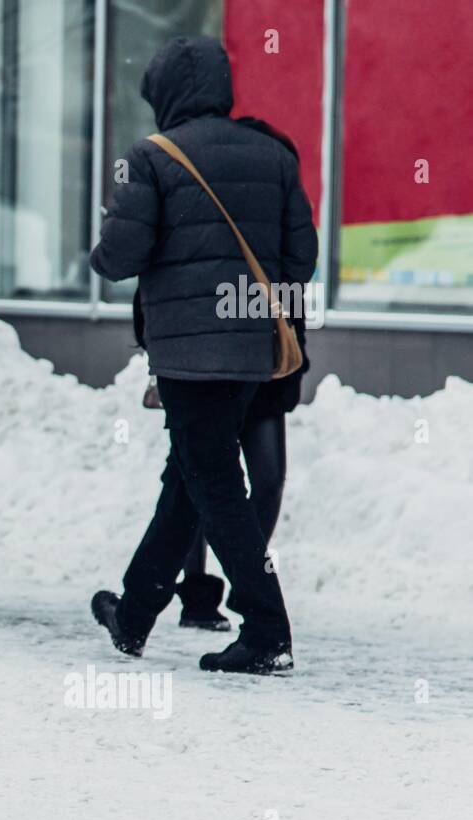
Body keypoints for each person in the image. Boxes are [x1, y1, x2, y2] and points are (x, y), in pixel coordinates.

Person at [88, 37, 318, 674]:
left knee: (213, 482)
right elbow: (301, 258)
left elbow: (117, 259)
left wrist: (111, 229)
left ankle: (268, 631)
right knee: (188, 480)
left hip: (188, 356)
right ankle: (134, 614)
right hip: (249, 354)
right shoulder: (272, 156)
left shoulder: (153, 158)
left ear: (164, 95)